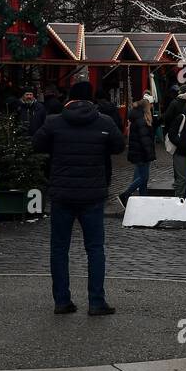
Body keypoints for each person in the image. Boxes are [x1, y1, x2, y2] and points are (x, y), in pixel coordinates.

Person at [33, 80, 125, 316]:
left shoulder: (55, 121)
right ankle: (96, 301)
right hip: (93, 193)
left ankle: (62, 300)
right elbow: (118, 146)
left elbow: (36, 144)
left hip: (62, 192)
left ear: (70, 98)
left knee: (59, 248)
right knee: (95, 248)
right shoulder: (103, 121)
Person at [163, 85, 186, 197]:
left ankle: (185, 201)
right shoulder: (182, 117)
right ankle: (179, 202)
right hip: (182, 153)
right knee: (182, 179)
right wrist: (182, 144)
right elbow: (172, 133)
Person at [120, 93, 157, 203]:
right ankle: (125, 194)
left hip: (138, 151)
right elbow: (144, 138)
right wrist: (150, 154)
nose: (152, 107)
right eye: (151, 105)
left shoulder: (137, 115)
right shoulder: (142, 118)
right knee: (143, 177)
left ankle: (143, 199)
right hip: (142, 152)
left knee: (142, 177)